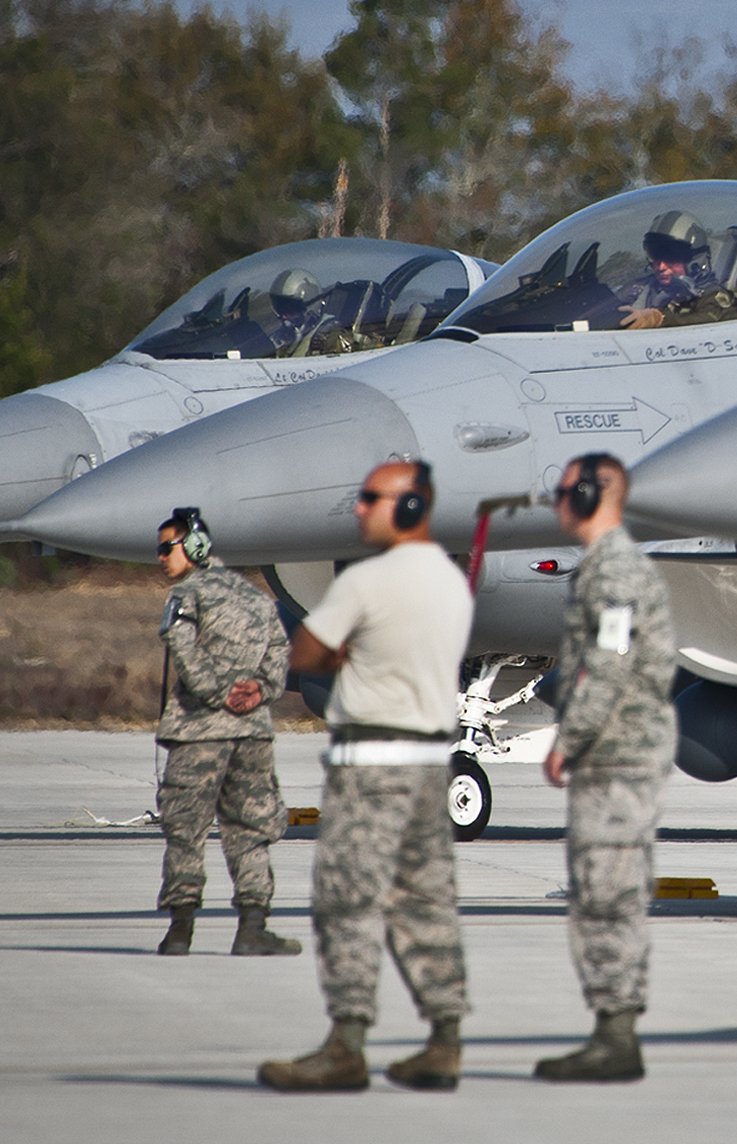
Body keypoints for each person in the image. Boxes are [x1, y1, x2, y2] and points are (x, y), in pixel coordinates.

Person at [257, 460, 474, 1094]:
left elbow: (305, 652)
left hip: (371, 766)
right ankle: (445, 1039)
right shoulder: (451, 583)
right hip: (430, 767)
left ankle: (346, 1044)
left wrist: (346, 646)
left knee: (347, 902)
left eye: (371, 499)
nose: (359, 509)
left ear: (409, 509)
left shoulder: (370, 580)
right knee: (426, 906)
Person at [536, 452, 679, 1083]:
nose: (555, 500)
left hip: (618, 755)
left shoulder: (615, 570)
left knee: (608, 890)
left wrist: (568, 738)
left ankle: (616, 1035)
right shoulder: (604, 566)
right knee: (600, 887)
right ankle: (610, 1029)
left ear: (594, 495)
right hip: (614, 753)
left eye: (564, 490)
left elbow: (610, 662)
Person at [151, 507, 302, 958]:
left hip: (199, 731)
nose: (160, 557)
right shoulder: (255, 597)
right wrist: (258, 692)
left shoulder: (187, 594)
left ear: (194, 547)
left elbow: (180, 646)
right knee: (251, 830)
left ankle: (180, 931)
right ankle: (252, 928)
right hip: (252, 733)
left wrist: (217, 693)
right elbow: (279, 649)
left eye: (166, 547)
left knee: (185, 828)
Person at [619, 211, 732, 329]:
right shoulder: (638, 289)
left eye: (671, 257)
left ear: (694, 260)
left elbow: (707, 322)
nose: (661, 267)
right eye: (656, 255)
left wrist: (659, 319)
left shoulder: (711, 295)